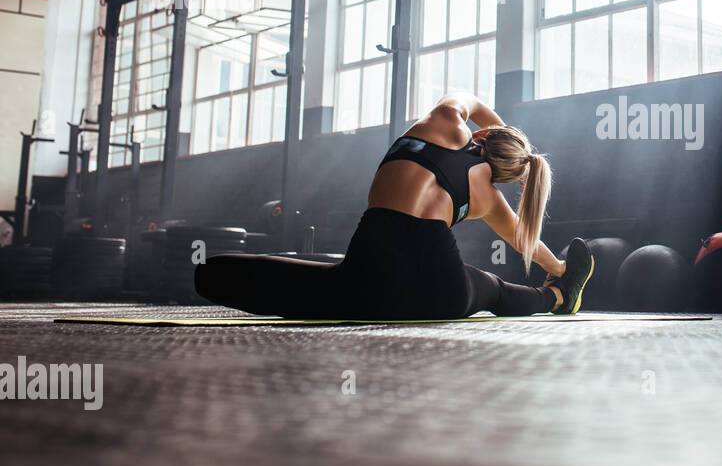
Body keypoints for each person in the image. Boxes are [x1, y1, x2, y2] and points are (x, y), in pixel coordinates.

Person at [194, 92, 593, 320]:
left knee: (232, 275)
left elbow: (470, 97)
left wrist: (506, 133)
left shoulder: (445, 122)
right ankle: (559, 296)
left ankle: (206, 273)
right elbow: (526, 242)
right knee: (490, 288)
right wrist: (559, 269)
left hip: (367, 282)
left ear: (483, 132)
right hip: (440, 297)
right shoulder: (488, 196)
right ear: (506, 174)